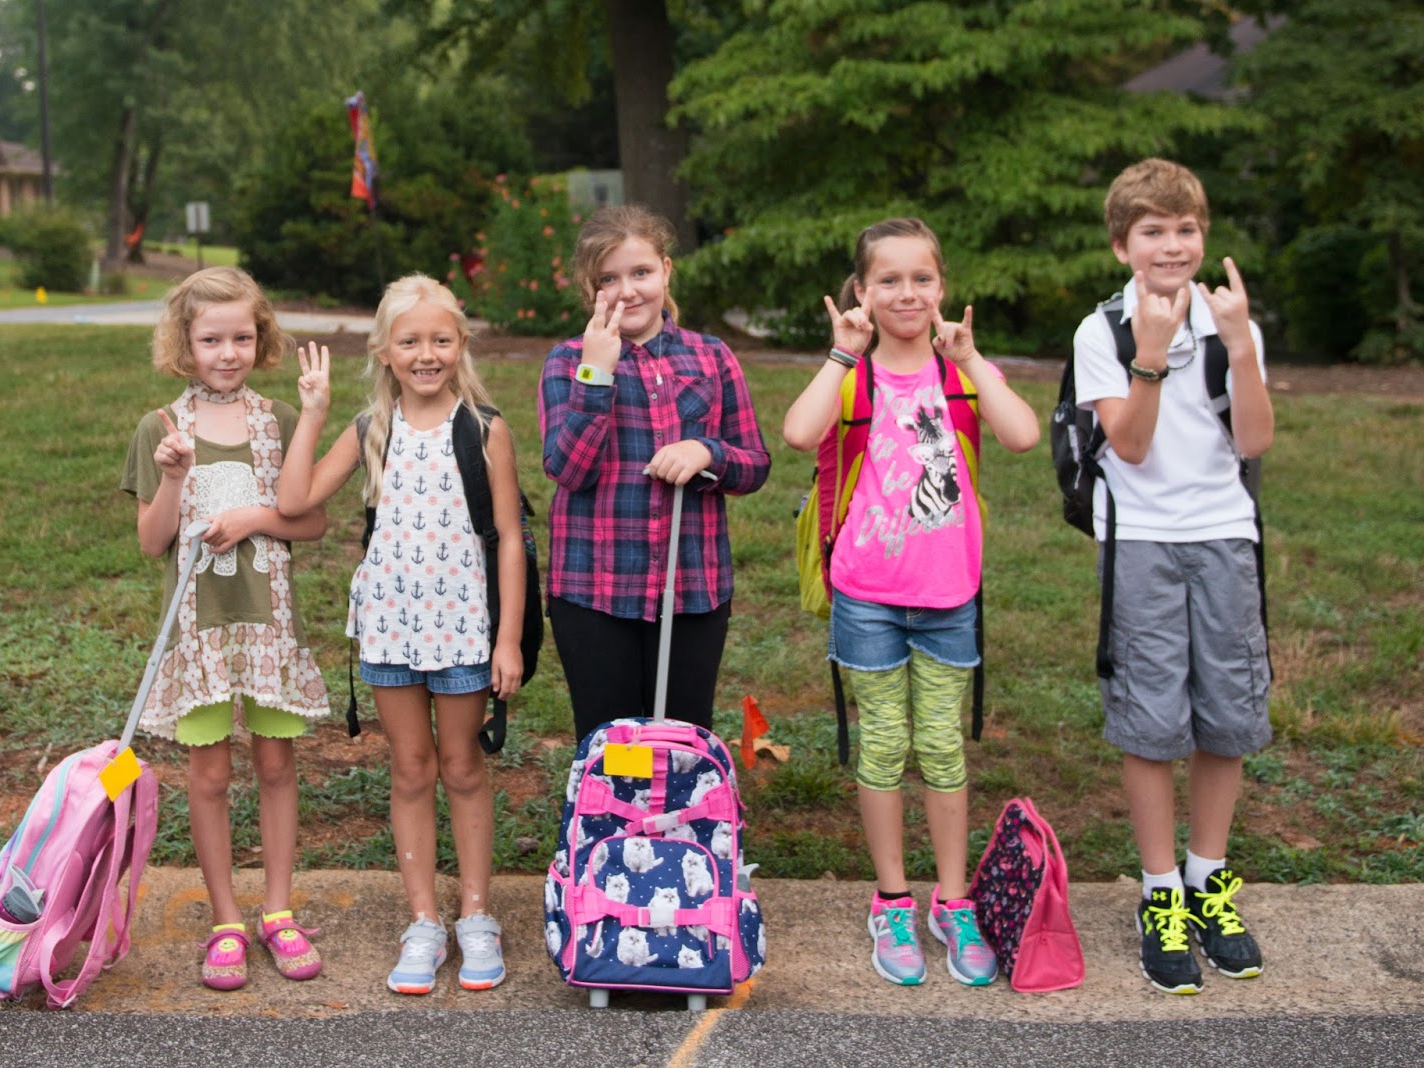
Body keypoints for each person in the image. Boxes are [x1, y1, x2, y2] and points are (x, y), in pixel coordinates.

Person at [782, 218, 1040, 987]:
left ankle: (952, 900)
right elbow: (798, 432)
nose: (905, 293)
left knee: (942, 747)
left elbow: (1023, 434)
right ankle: (893, 897)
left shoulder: (959, 374)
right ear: (860, 291)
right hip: (867, 596)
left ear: (942, 288)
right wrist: (841, 353)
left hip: (947, 595)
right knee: (884, 746)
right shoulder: (853, 375)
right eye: (887, 280)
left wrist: (973, 362)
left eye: (921, 279)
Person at [275, 274, 525, 996]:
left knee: (464, 768)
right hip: (389, 629)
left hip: (464, 632)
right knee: (410, 770)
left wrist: (507, 640)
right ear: (385, 351)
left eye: (440, 340)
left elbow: (509, 537)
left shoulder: (483, 429)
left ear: (461, 345)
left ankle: (476, 915)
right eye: (410, 341)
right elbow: (294, 501)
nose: (426, 354)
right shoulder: (369, 430)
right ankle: (424, 920)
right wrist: (313, 413)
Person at [1073, 158, 1275, 995]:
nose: (1173, 244)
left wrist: (1237, 345)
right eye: (1153, 230)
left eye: (1186, 228)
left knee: (1226, 713)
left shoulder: (1233, 322)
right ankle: (1159, 893)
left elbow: (1255, 440)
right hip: (1144, 542)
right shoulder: (1104, 332)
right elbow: (1130, 445)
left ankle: (1208, 881)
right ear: (1124, 243)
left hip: (1224, 535)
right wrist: (1151, 357)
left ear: (1204, 236)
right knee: (1153, 718)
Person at [120, 266, 331, 991]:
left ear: (261, 337)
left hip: (268, 626)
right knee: (208, 775)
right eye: (212, 339)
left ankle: (277, 910)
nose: (228, 352)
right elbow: (152, 543)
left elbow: (314, 518)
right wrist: (174, 476)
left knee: (276, 766)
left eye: (242, 336)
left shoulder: (274, 418)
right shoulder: (162, 427)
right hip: (200, 634)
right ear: (185, 342)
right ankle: (225, 919)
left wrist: (256, 517)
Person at [539, 205, 771, 743]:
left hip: (692, 589)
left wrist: (708, 452)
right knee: (612, 743)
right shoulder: (567, 360)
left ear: (666, 270)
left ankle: (678, 827)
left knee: (682, 741)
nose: (628, 291)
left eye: (640, 273)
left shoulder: (711, 357)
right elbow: (567, 470)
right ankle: (614, 826)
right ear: (590, 288)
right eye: (609, 279)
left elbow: (754, 464)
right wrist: (597, 373)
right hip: (594, 592)